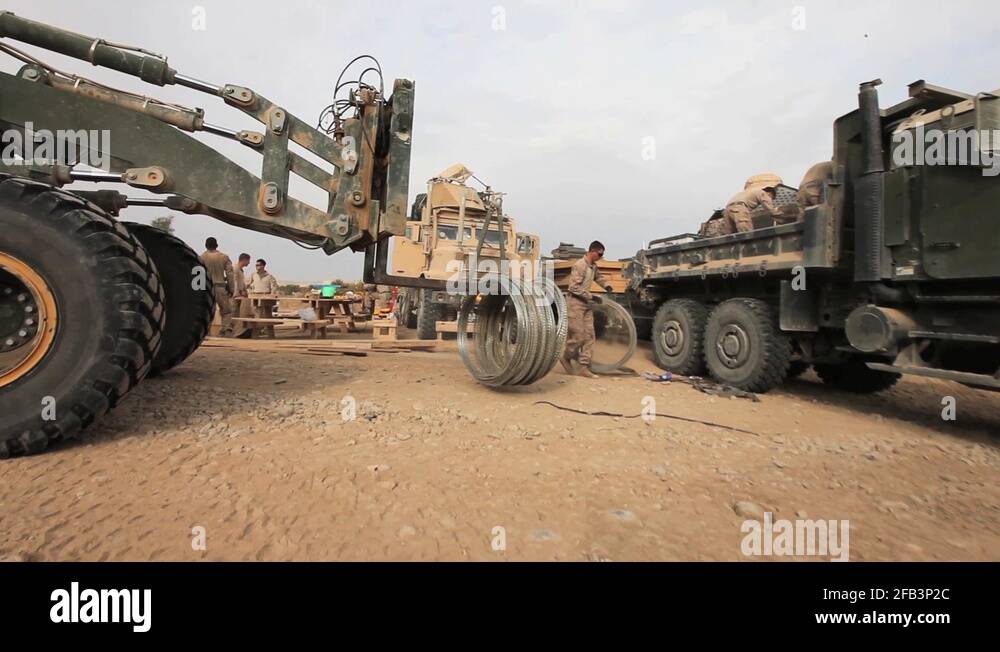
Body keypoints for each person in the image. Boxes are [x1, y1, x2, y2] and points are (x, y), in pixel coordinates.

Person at [562, 240, 614, 378]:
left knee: (589, 337)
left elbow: (599, 277)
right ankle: (566, 356)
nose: (601, 256)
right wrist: (591, 296)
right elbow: (573, 287)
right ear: (592, 251)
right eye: (599, 254)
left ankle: (584, 367)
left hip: (586, 304)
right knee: (578, 336)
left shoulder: (593, 266)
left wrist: (607, 286)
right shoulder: (580, 265)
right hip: (575, 304)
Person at [199, 237, 236, 337]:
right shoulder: (224, 257)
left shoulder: (201, 258)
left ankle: (206, 332)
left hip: (206, 288)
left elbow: (198, 276)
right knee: (226, 311)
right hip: (220, 287)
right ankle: (226, 330)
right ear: (217, 245)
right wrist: (231, 289)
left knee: (206, 311)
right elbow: (230, 274)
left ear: (206, 245)